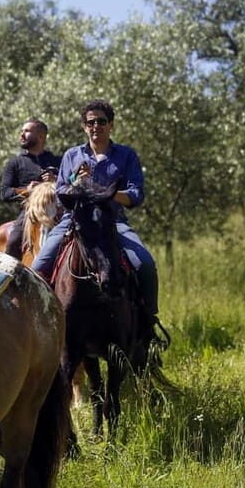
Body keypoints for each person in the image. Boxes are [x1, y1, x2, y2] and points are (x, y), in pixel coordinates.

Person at [31, 99, 159, 322]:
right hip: (74, 221)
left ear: (111, 125)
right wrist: (76, 183)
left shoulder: (126, 155)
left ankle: (148, 320)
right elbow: (61, 192)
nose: (96, 126)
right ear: (84, 127)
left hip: (113, 221)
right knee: (38, 266)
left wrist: (108, 194)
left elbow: (136, 194)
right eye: (90, 122)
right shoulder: (72, 155)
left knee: (145, 264)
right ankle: (40, 322)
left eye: (101, 121)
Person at [0, 119, 62, 259]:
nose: (21, 134)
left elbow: (71, 185)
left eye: (27, 131)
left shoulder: (58, 161)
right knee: (13, 241)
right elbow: (4, 193)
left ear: (41, 136)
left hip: (59, 210)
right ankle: (11, 271)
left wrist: (56, 180)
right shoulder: (15, 163)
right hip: (30, 213)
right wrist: (26, 190)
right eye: (22, 131)